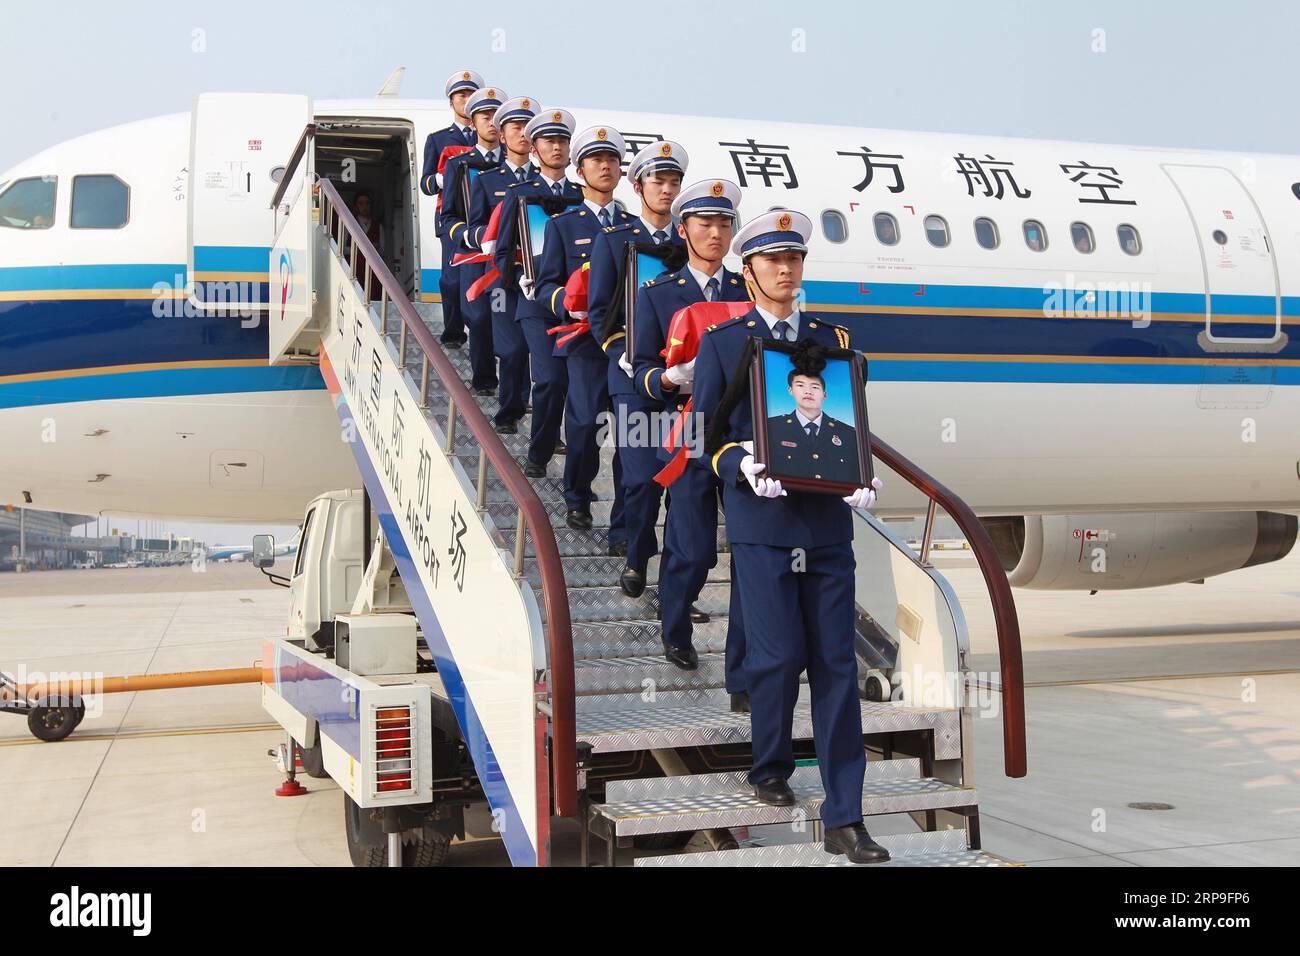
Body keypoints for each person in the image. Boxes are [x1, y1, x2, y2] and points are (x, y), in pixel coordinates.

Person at [691, 207, 889, 864]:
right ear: (747, 273)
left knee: (835, 666)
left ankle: (846, 816)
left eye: (795, 259)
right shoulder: (724, 342)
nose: (785, 269)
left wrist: (860, 474)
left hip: (827, 526)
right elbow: (702, 438)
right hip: (762, 525)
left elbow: (848, 421)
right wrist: (740, 463)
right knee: (775, 659)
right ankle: (770, 763)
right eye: (773, 260)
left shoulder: (834, 342)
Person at [631, 179, 749, 683]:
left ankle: (745, 663)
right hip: (690, 427)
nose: (716, 234)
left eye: (724, 224)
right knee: (693, 543)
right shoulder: (658, 294)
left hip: (742, 428)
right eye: (705, 224)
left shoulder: (749, 292)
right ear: (683, 230)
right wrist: (668, 378)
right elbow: (636, 367)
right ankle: (675, 624)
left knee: (746, 546)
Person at [588, 140, 686, 573]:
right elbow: (599, 314)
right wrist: (622, 353)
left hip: (682, 380)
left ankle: (661, 568)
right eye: (658, 181)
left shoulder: (691, 243)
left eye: (674, 182)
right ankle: (632, 547)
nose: (667, 190)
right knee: (639, 471)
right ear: (638, 185)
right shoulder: (614, 240)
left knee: (678, 482)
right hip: (632, 376)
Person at [532, 127, 634, 536]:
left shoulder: (633, 228)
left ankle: (624, 525)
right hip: (586, 346)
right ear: (579, 169)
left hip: (629, 349)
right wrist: (567, 304)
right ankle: (577, 498)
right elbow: (544, 285)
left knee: (630, 438)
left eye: (612, 160)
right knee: (584, 427)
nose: (606, 167)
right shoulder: (562, 225)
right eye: (596, 160)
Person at [496, 108, 584, 478]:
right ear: (534, 148)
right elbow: (502, 251)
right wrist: (516, 278)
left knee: (573, 387)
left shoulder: (582, 197)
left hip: (577, 306)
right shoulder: (519, 195)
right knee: (548, 378)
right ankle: (538, 453)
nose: (558, 147)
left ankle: (568, 466)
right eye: (550, 141)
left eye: (563, 140)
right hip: (535, 303)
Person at [468, 95, 540, 433]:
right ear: (502, 133)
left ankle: (544, 425)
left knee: (540, 356)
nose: (523, 133)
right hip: (501, 278)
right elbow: (472, 224)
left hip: (541, 279)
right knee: (511, 351)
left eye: (529, 127)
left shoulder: (547, 184)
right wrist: (486, 235)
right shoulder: (486, 180)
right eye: (516, 127)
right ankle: (510, 411)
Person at [438, 85, 506, 394]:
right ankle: (484, 379)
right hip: (473, 254)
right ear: (474, 122)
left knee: (506, 324)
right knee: (476, 317)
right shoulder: (458, 165)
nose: (491, 122)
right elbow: (448, 214)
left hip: (508, 258)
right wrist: (469, 235)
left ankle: (509, 390)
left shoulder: (513, 167)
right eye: (485, 116)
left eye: (496, 116)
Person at [419, 69, 483, 348]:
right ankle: (454, 331)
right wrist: (443, 178)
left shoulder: (487, 138)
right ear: (451, 102)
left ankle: (482, 334)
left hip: (483, 217)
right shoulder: (438, 139)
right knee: (451, 278)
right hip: (451, 215)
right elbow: (425, 182)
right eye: (461, 95)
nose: (465, 99)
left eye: (470, 95)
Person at [765, 360, 861, 485]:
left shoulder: (847, 433)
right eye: (800, 385)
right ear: (790, 390)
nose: (808, 391)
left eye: (815, 387)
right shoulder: (772, 427)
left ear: (824, 395)